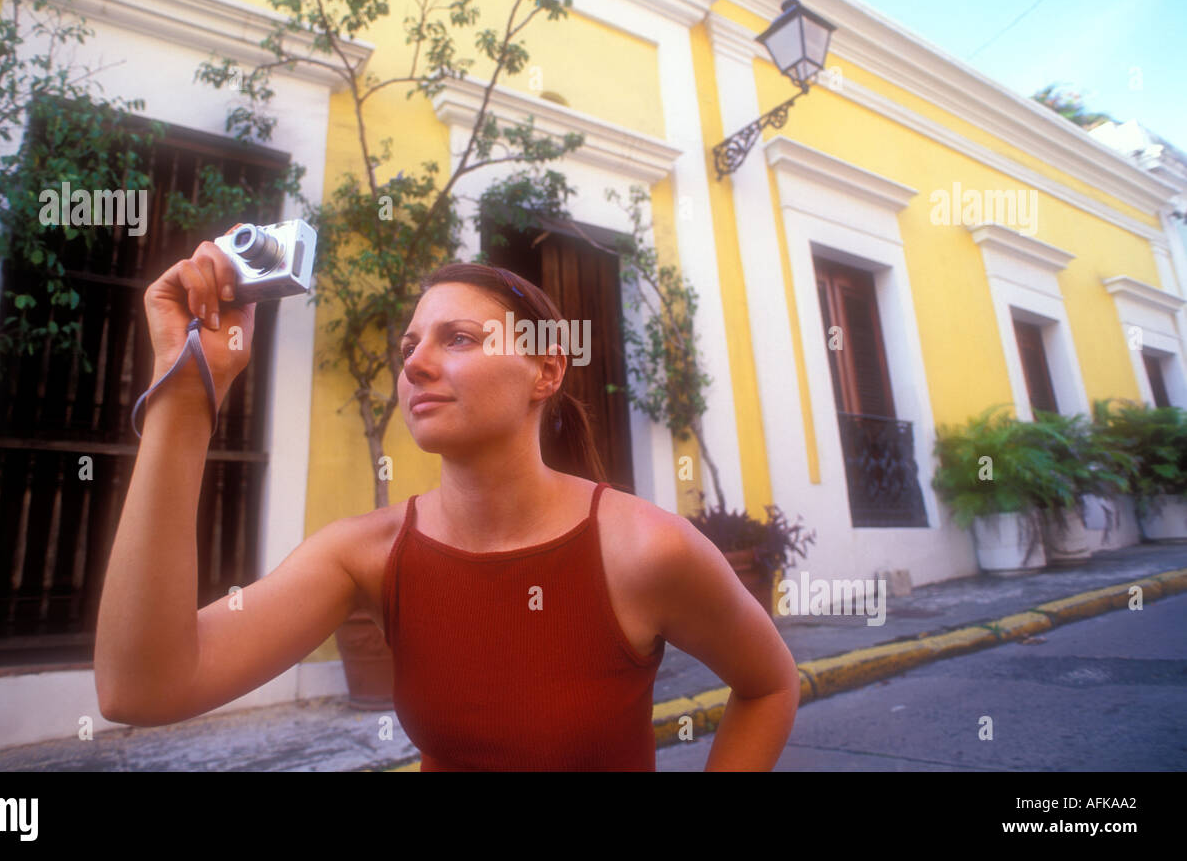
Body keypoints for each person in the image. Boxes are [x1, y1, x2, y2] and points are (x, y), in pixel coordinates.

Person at [95, 229, 801, 771]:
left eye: (457, 338)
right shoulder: (363, 554)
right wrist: (186, 390)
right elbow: (142, 687)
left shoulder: (645, 548)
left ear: (545, 370)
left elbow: (770, 685)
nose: (415, 362)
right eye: (410, 344)